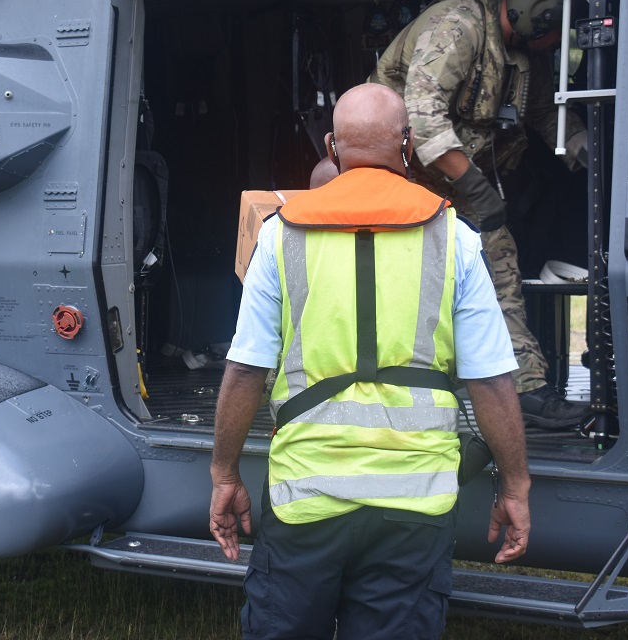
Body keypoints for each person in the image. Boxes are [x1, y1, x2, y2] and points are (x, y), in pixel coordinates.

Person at [210, 83, 530, 640]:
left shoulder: (279, 235)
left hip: (305, 497)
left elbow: (244, 371)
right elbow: (493, 381)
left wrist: (224, 474)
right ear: (407, 145)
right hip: (415, 500)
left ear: (332, 147)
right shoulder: (454, 236)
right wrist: (516, 486)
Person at [362, 0, 591, 431]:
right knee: (399, 291)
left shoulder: (525, 55)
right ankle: (387, 392)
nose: (555, 45)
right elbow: (422, 121)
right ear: (537, 14)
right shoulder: (458, 28)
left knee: (499, 266)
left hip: (458, 184)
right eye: (556, 31)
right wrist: (479, 191)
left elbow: (545, 114)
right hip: (400, 182)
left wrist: (581, 148)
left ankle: (527, 389)